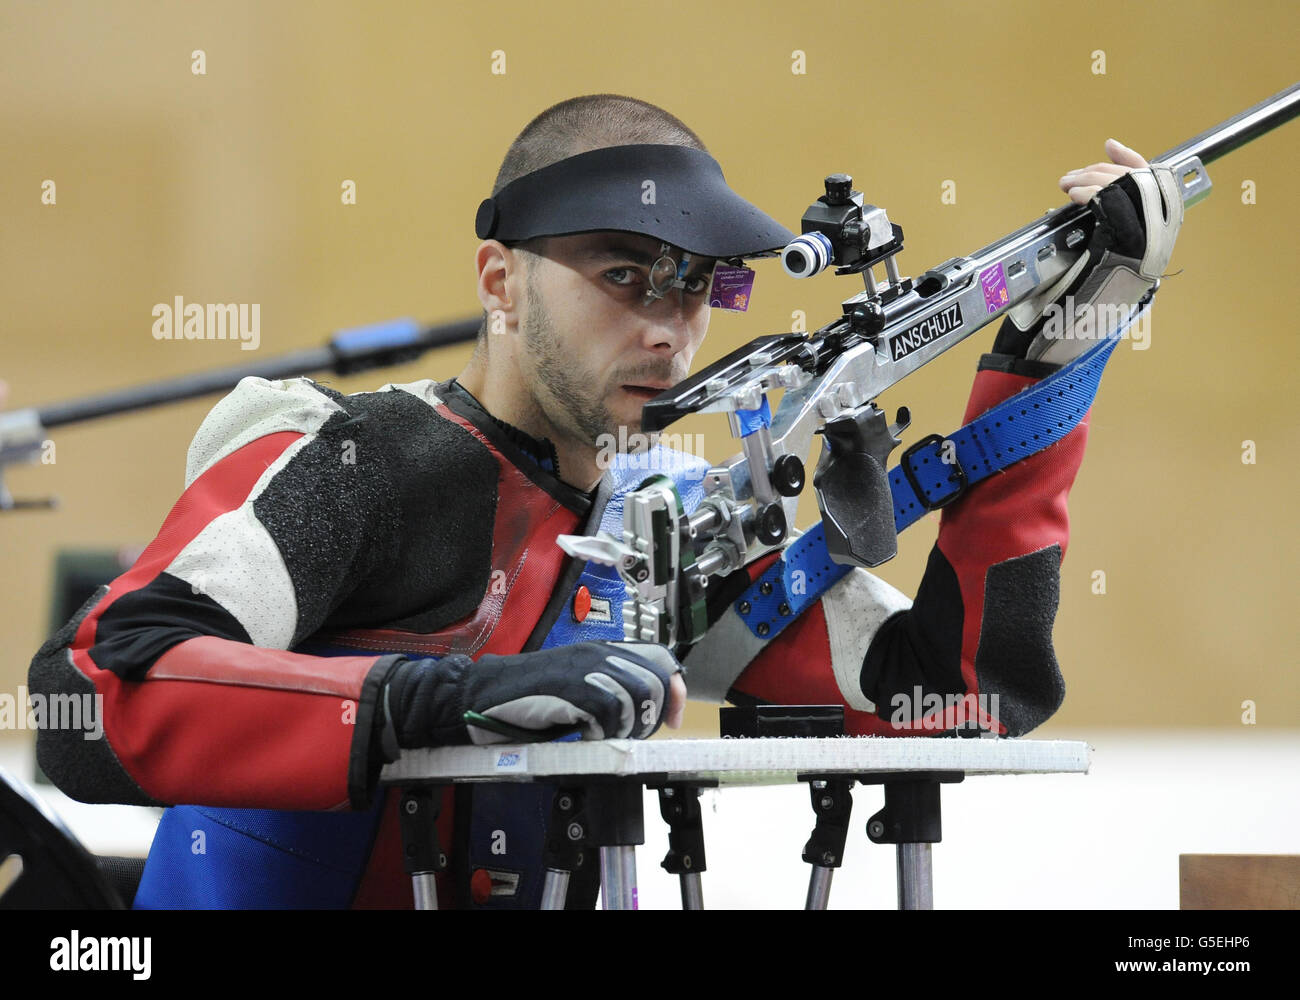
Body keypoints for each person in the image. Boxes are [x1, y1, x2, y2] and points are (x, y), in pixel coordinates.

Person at [27, 94, 1181, 909]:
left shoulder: (670, 525)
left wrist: (1059, 340)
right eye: (622, 273)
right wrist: (442, 702)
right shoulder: (350, 459)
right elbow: (89, 692)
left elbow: (965, 691)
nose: (667, 325)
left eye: (700, 285)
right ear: (498, 279)